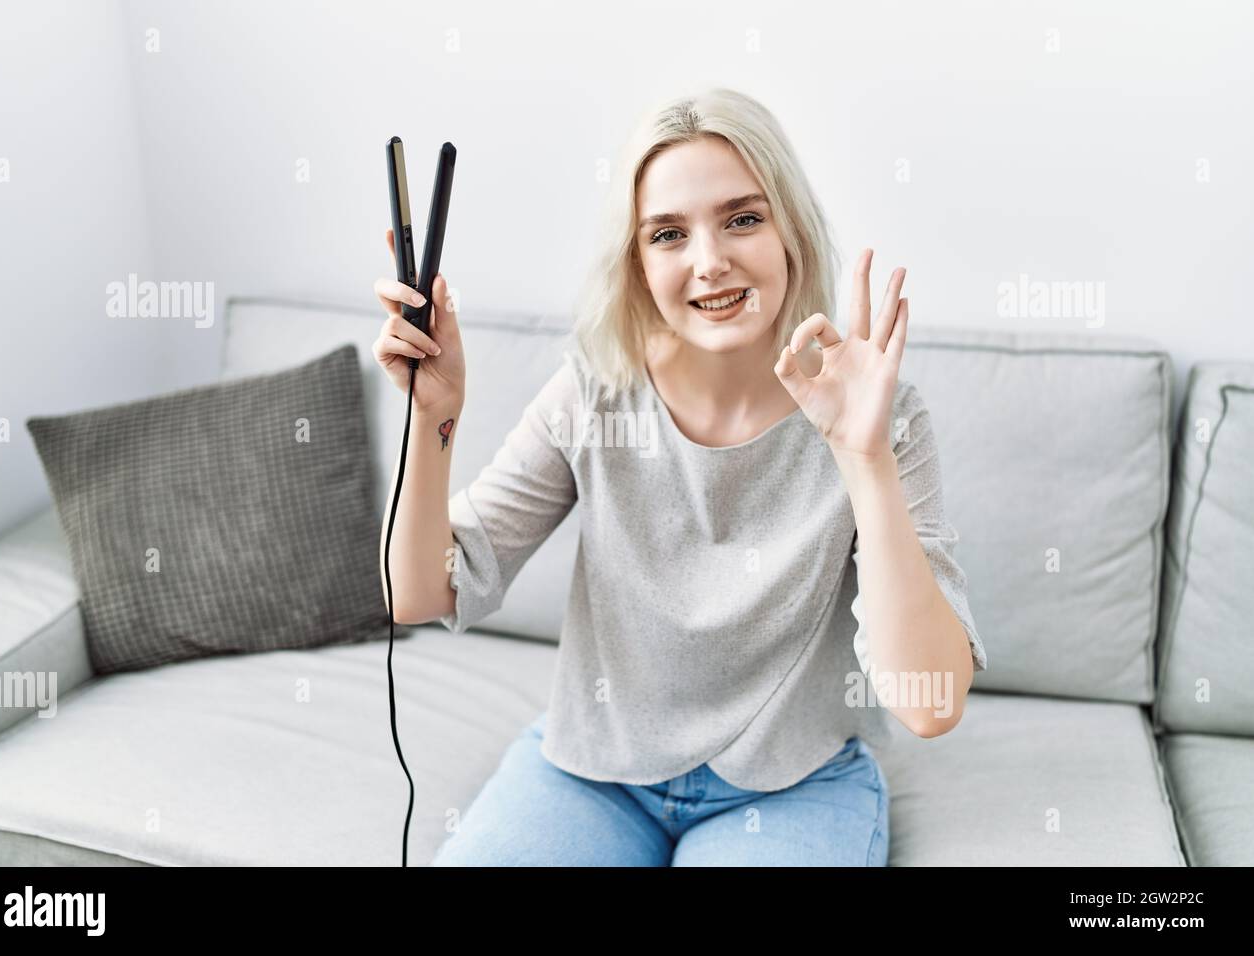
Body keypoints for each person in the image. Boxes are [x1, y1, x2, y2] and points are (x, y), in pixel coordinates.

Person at [372, 87, 987, 866]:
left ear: (791, 229)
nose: (709, 261)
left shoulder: (879, 414)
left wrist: (864, 460)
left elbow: (930, 705)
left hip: (791, 786)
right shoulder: (595, 393)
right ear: (638, 262)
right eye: (668, 234)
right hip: (595, 774)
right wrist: (434, 416)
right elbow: (420, 593)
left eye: (743, 219)